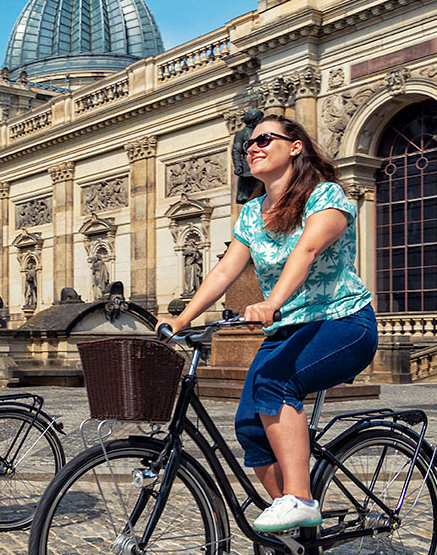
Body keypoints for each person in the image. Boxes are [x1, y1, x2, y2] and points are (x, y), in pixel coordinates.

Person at [157, 114, 377, 532]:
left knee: (276, 385)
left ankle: (300, 499)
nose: (252, 148)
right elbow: (226, 270)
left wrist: (272, 302)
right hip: (286, 332)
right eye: (249, 144)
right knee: (249, 427)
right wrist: (183, 319)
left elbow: (307, 250)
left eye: (264, 140)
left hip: (342, 323)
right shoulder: (252, 213)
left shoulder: (326, 196)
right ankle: (297, 535)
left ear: (295, 147)